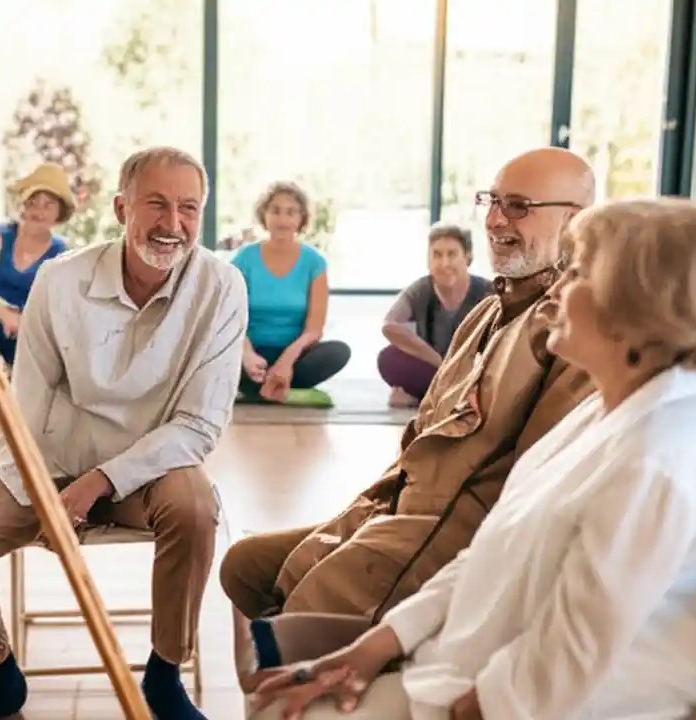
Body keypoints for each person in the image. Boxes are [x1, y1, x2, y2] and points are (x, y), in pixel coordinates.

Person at [248, 197, 696, 720]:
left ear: (638, 306)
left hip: (515, 702)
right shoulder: (610, 412)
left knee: (277, 709)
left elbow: (569, 662)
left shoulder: (659, 460)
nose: (555, 289)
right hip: (464, 665)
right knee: (276, 691)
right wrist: (375, 646)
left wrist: (464, 709)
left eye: (578, 273)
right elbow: (494, 549)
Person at [219, 147, 598, 686]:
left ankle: (295, 688)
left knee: (301, 605)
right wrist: (358, 519)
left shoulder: (572, 332)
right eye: (492, 201)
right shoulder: (487, 311)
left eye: (519, 207)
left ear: (576, 221)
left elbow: (529, 493)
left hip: (448, 539)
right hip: (393, 508)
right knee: (245, 565)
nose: (494, 220)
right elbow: (419, 440)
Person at [0, 146, 246, 720]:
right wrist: (42, 495)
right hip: (51, 466)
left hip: (150, 472)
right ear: (121, 207)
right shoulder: (60, 280)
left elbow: (199, 424)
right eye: (156, 205)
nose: (172, 224)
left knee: (197, 509)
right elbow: (23, 407)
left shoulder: (221, 286)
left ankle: (163, 673)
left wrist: (99, 484)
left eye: (188, 208)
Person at [230, 182, 350, 402]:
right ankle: (270, 385)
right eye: (275, 211)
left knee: (339, 351)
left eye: (291, 212)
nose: (282, 219)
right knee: (209, 351)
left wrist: (286, 362)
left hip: (295, 355)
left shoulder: (314, 262)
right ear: (264, 215)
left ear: (301, 219)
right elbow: (231, 316)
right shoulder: (244, 259)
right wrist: (246, 355)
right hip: (249, 352)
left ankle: (269, 385)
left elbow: (314, 330)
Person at [0, 162, 73, 391]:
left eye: (48, 205)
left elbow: (55, 308)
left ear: (58, 214)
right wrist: (5, 311)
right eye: (32, 202)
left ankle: (7, 373)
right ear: (21, 205)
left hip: (28, 331)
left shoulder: (62, 251)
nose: (38, 211)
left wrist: (23, 321)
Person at [378, 224, 492, 407]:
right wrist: (440, 362)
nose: (444, 263)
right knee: (389, 358)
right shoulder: (420, 289)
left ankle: (430, 399)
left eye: (452, 254)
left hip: (472, 372)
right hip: (435, 370)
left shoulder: (488, 292)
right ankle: (454, 398)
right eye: (437, 255)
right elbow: (389, 325)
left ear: (467, 257)